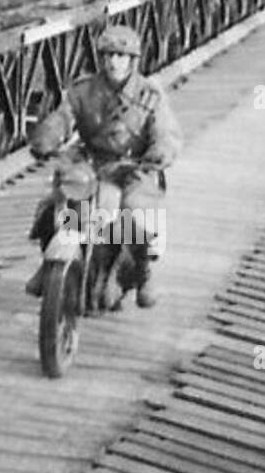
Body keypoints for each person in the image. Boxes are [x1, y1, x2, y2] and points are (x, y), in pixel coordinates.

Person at [24, 22, 182, 308]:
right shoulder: (84, 90)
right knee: (56, 204)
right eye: (108, 55)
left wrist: (161, 151)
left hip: (134, 166)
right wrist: (46, 136)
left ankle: (144, 272)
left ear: (133, 60)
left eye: (121, 56)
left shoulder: (150, 95)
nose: (113, 62)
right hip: (92, 162)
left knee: (135, 215)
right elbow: (64, 116)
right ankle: (50, 262)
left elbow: (166, 132)